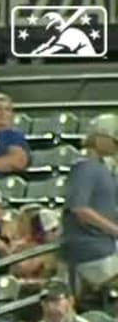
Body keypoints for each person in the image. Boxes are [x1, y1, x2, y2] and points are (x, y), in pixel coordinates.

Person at [61, 113, 118, 302]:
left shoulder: (104, 169)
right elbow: (79, 208)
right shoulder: (85, 167)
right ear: (98, 137)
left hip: (105, 246)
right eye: (114, 138)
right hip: (91, 249)